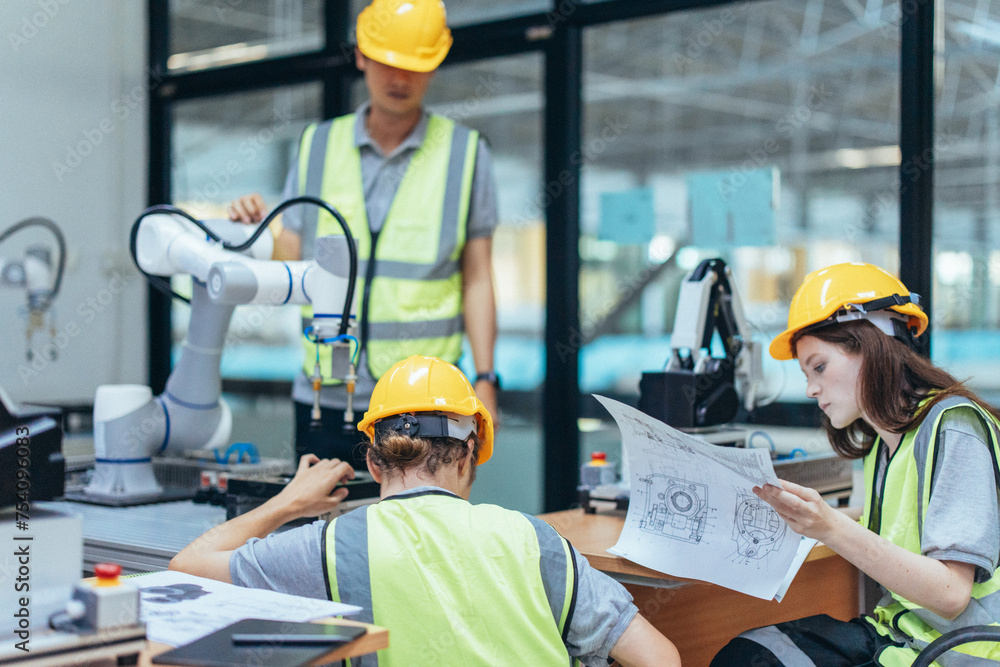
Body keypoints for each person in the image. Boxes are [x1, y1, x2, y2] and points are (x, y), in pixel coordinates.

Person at [169, 355, 681, 666]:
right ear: (469, 454)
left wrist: (291, 500)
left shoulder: (330, 549)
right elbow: (662, 658)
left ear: (373, 460)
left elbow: (187, 566)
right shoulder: (538, 543)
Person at [229, 0, 499, 466]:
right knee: (324, 532)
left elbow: (477, 278)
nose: (400, 79)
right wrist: (257, 234)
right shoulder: (317, 146)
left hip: (424, 400)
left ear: (434, 66)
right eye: (388, 62)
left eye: (414, 65)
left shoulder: (466, 154)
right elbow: (290, 261)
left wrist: (487, 380)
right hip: (325, 396)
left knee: (419, 535)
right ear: (361, 56)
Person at [711, 262, 1000, 666]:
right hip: (899, 635)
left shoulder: (954, 427)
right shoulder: (887, 443)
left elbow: (951, 594)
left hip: (958, 651)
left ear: (870, 346)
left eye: (820, 366)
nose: (811, 389)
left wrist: (829, 525)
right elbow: (898, 532)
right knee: (750, 654)